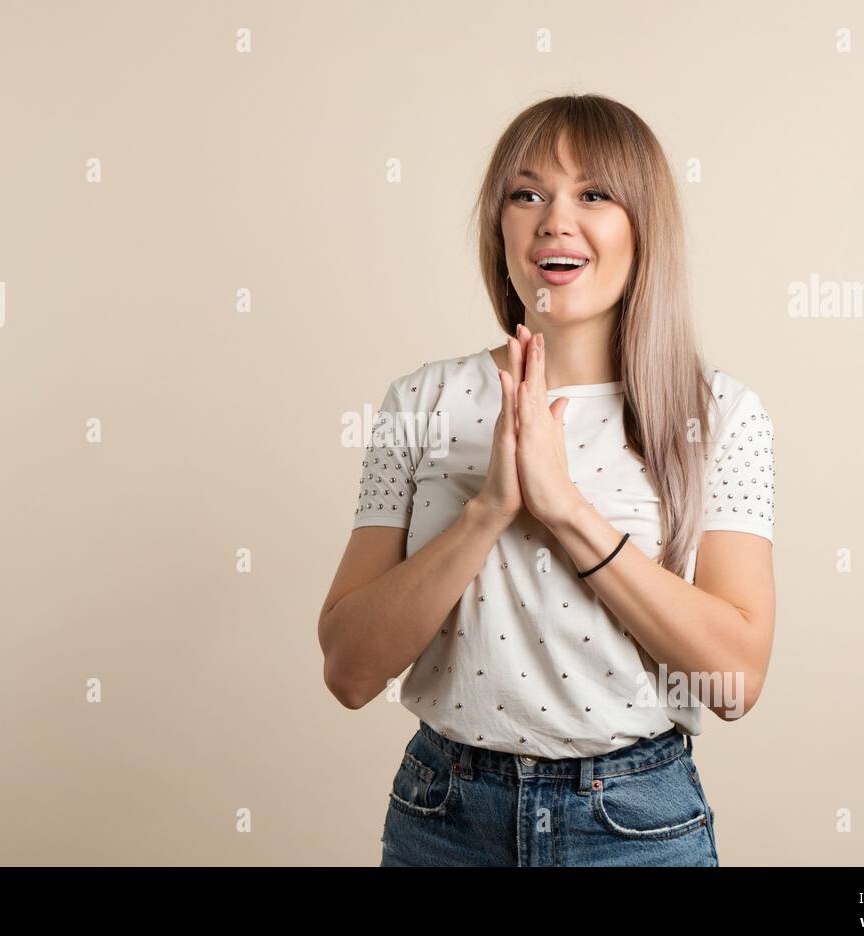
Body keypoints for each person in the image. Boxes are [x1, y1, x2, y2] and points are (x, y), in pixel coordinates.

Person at [317, 94, 776, 866]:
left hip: (634, 825)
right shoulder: (421, 401)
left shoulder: (719, 414)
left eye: (594, 194)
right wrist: (489, 509)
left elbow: (734, 682)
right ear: (500, 226)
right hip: (444, 816)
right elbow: (350, 672)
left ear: (642, 226)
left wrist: (565, 511)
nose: (555, 220)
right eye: (527, 194)